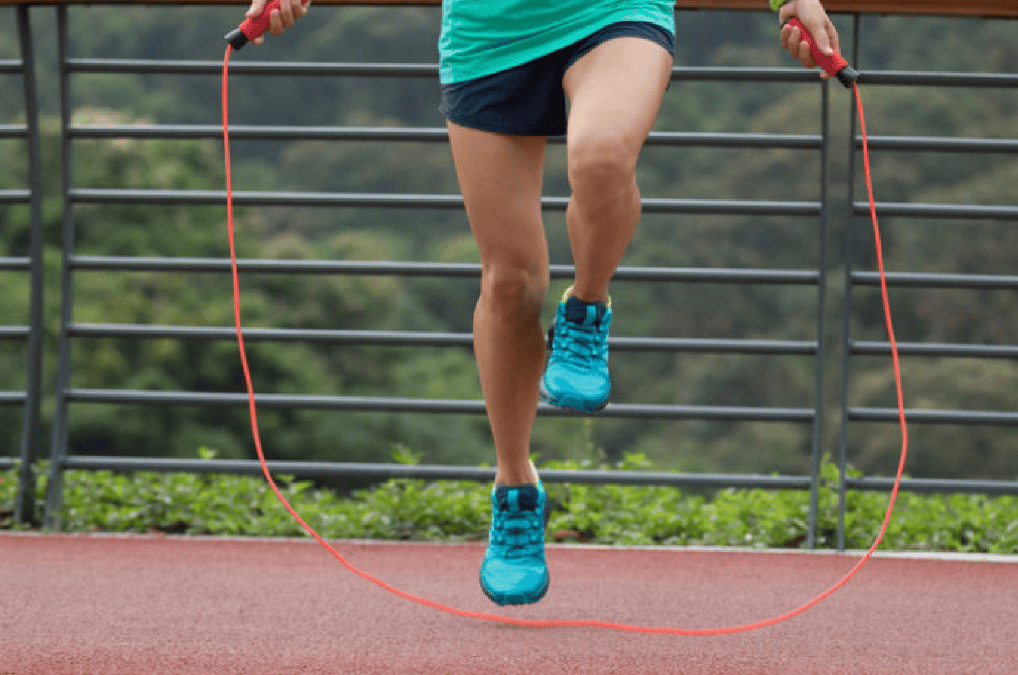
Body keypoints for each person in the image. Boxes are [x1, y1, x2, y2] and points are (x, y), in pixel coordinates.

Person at [244, 0, 842, 607]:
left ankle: (586, 308)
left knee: (602, 155)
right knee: (510, 282)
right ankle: (515, 487)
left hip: (614, 12)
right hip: (490, 32)